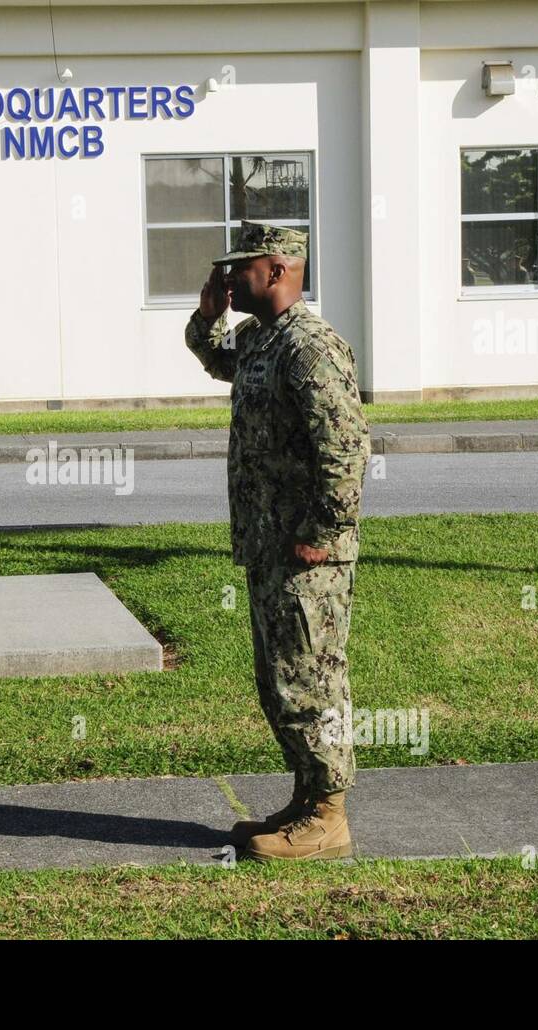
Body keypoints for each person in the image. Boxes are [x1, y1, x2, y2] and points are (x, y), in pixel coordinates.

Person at [185, 220, 370, 861]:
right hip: (270, 545)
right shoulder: (260, 340)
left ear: (279, 271)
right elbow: (217, 359)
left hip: (306, 550)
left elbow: (345, 450)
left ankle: (329, 816)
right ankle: (304, 797)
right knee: (281, 680)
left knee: (313, 678)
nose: (232, 277)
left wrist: (323, 531)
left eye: (243, 268)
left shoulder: (310, 348)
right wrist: (208, 316)